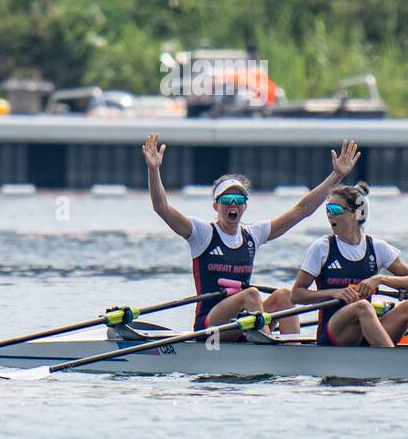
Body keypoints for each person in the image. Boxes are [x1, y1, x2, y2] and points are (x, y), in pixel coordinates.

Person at [142, 133, 361, 339]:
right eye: (227, 201)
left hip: (244, 322)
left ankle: (293, 351)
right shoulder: (203, 233)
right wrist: (153, 170)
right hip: (212, 327)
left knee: (284, 295)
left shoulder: (252, 235)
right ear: (215, 206)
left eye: (239, 200)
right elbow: (162, 207)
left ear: (245, 207)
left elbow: (300, 210)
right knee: (252, 295)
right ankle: (266, 345)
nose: (233, 205)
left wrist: (337, 176)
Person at [288, 182, 408, 347]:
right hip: (335, 333)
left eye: (335, 210)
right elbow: (297, 295)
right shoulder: (322, 247)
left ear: (357, 214)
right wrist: (335, 292)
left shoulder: (377, 248)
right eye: (327, 210)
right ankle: (391, 362)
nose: (329, 216)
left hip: (368, 330)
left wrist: (381, 280)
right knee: (362, 306)